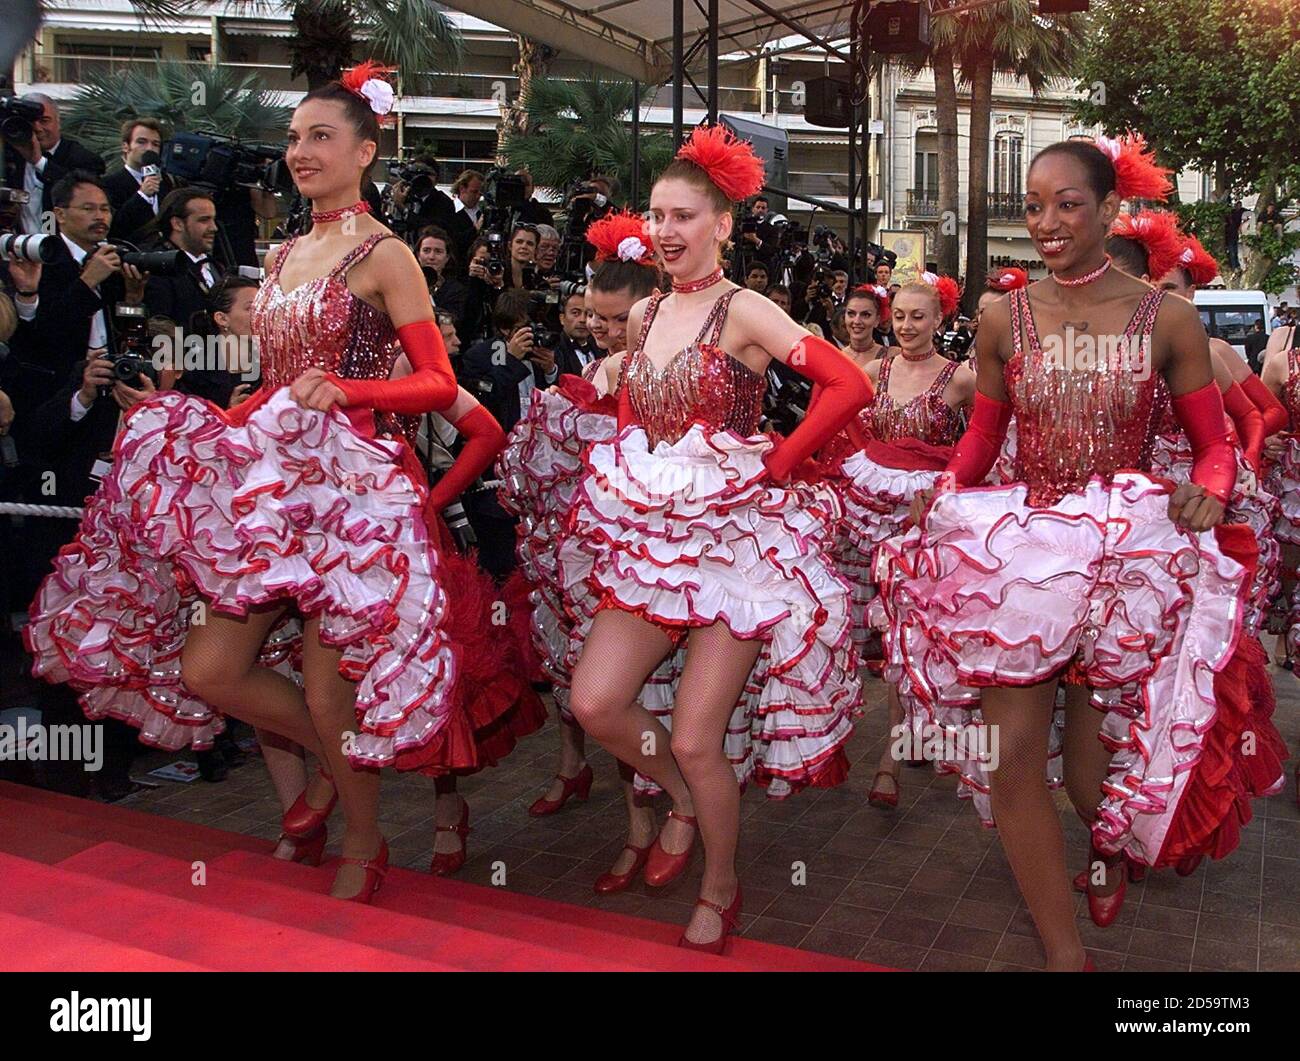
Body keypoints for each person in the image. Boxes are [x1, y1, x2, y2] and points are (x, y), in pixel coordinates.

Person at [25, 61, 462, 903]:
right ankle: (336, 765)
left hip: (353, 497)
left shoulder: (387, 252)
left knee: (334, 683)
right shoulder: (288, 250)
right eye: (295, 137)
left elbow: (437, 381)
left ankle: (364, 842)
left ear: (366, 150)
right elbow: (277, 379)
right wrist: (207, 419)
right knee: (210, 668)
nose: (301, 151)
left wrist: (353, 389)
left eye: (321, 137)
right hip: (270, 485)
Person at [874, 134, 1250, 971]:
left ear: (1111, 210)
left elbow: (1212, 442)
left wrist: (1213, 487)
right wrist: (946, 501)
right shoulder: (1005, 315)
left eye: (1066, 203)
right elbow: (983, 435)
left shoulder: (1169, 317)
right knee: (1010, 763)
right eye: (1033, 205)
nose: (1045, 221)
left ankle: (1107, 844)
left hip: (1123, 568)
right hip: (1029, 561)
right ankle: (1063, 953)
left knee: (1087, 781)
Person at [563, 125, 871, 952]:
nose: (666, 230)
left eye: (685, 216)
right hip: (658, 542)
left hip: (736, 553)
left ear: (724, 225)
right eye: (658, 215)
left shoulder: (746, 308)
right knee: (594, 701)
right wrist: (627, 475)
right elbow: (632, 417)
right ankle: (685, 800)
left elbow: (849, 383)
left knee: (700, 735)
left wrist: (781, 465)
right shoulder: (648, 311)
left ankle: (721, 881)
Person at [501, 211, 677, 894]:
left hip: (658, 565)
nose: (600, 329)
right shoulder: (594, 372)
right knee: (599, 696)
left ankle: (671, 816)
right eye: (594, 318)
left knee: (641, 698)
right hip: (585, 563)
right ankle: (638, 826)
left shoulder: (672, 369)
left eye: (613, 318)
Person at [831, 277, 975, 811]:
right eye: (902, 316)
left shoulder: (959, 379)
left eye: (920, 317)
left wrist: (946, 493)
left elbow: (984, 441)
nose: (909, 326)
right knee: (853, 625)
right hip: (866, 511)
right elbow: (837, 417)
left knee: (905, 634)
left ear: (939, 320)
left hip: (922, 522)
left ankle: (891, 760)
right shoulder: (875, 371)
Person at [2, 93, 104, 234]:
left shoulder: (83, 158)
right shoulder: (10, 155)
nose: (37, 128)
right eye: (30, 122)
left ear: (58, 122)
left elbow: (80, 195)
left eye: (44, 120)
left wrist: (38, 162)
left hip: (61, 249)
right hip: (19, 249)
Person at [143, 188, 223, 330]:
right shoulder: (160, 268)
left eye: (213, 219)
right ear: (177, 224)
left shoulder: (216, 265)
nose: (214, 228)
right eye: (204, 220)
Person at [104, 118, 176, 243]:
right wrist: (142, 195)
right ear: (126, 146)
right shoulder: (109, 184)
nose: (149, 148)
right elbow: (114, 226)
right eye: (141, 142)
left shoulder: (168, 183)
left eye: (155, 144)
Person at [416, 225, 469, 325]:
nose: (431, 257)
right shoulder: (405, 284)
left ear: (447, 257)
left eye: (438, 251)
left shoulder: (456, 291)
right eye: (426, 250)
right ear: (418, 255)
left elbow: (452, 320)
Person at [551, 287, 600, 376]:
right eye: (575, 313)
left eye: (588, 314)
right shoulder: (554, 350)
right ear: (562, 318)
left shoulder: (600, 346)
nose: (582, 320)